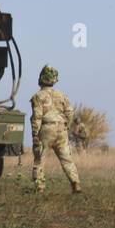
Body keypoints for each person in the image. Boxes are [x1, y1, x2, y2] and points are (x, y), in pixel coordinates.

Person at [30, 64, 82, 194]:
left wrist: (35, 134)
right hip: (61, 129)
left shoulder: (38, 96)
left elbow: (37, 116)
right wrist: (66, 126)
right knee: (67, 159)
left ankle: (40, 188)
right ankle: (76, 184)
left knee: (39, 159)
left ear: (41, 78)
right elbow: (70, 112)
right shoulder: (62, 95)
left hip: (46, 128)